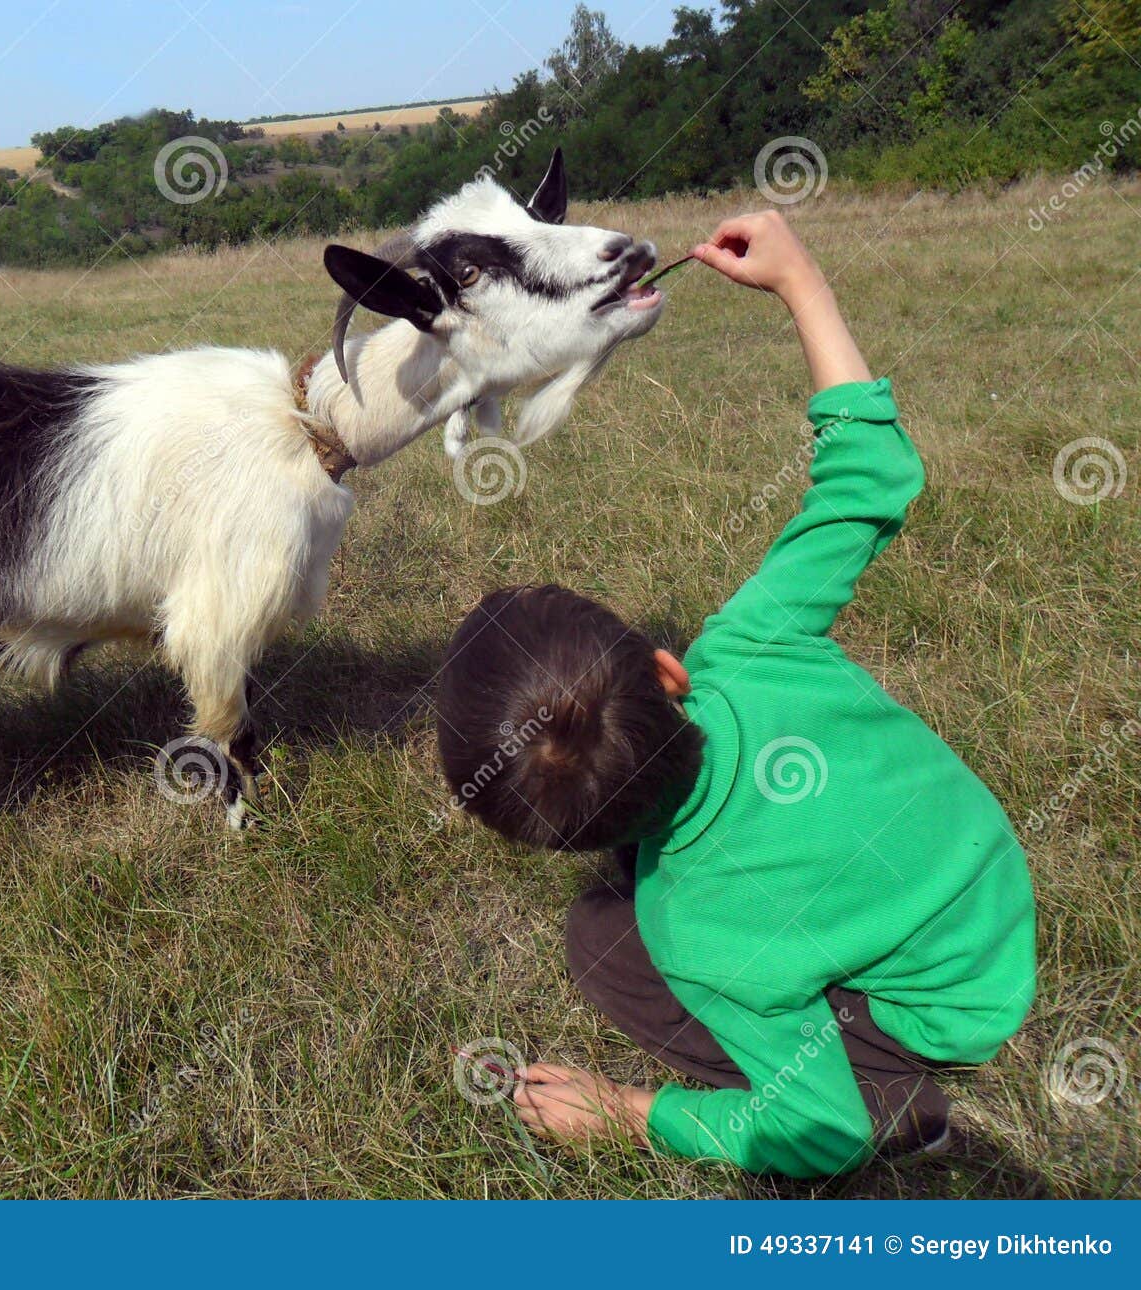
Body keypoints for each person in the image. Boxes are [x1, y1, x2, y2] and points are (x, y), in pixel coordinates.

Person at [434, 211, 1035, 1178]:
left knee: (602, 946)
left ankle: (901, 1101)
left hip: (953, 1009)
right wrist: (802, 284)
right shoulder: (752, 645)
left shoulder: (696, 932)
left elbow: (818, 1132)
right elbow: (870, 477)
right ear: (670, 670)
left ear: (557, 839)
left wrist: (632, 1111)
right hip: (988, 890)